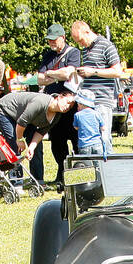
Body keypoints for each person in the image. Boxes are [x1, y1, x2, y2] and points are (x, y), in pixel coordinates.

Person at [37, 23, 81, 187]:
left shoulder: (73, 53)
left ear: (62, 38)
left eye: (54, 40)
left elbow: (68, 73)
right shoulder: (47, 55)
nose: (51, 43)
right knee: (57, 142)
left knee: (76, 140)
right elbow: (39, 78)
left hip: (70, 105)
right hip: (53, 104)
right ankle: (61, 173)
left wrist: (49, 74)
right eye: (49, 40)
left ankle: (78, 173)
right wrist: (56, 75)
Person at [0, 89, 73, 181]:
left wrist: (31, 147)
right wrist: (19, 140)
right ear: (59, 97)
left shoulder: (57, 116)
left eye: (70, 106)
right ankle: (16, 181)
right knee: (14, 146)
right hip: (6, 110)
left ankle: (37, 180)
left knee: (37, 148)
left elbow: (41, 132)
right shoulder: (40, 102)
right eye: (67, 102)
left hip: (27, 119)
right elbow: (21, 122)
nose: (68, 107)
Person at [71, 21, 124, 155]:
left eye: (81, 40)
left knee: (103, 139)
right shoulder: (85, 50)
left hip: (102, 100)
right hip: (87, 103)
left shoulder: (106, 45)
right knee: (90, 140)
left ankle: (109, 170)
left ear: (87, 32)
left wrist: (93, 71)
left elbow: (117, 71)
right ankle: (99, 173)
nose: (80, 44)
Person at [73, 88, 105, 155]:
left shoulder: (77, 115)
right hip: (97, 143)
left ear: (81, 103)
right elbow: (103, 128)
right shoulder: (96, 113)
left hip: (84, 145)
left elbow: (76, 127)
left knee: (86, 165)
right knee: (99, 164)